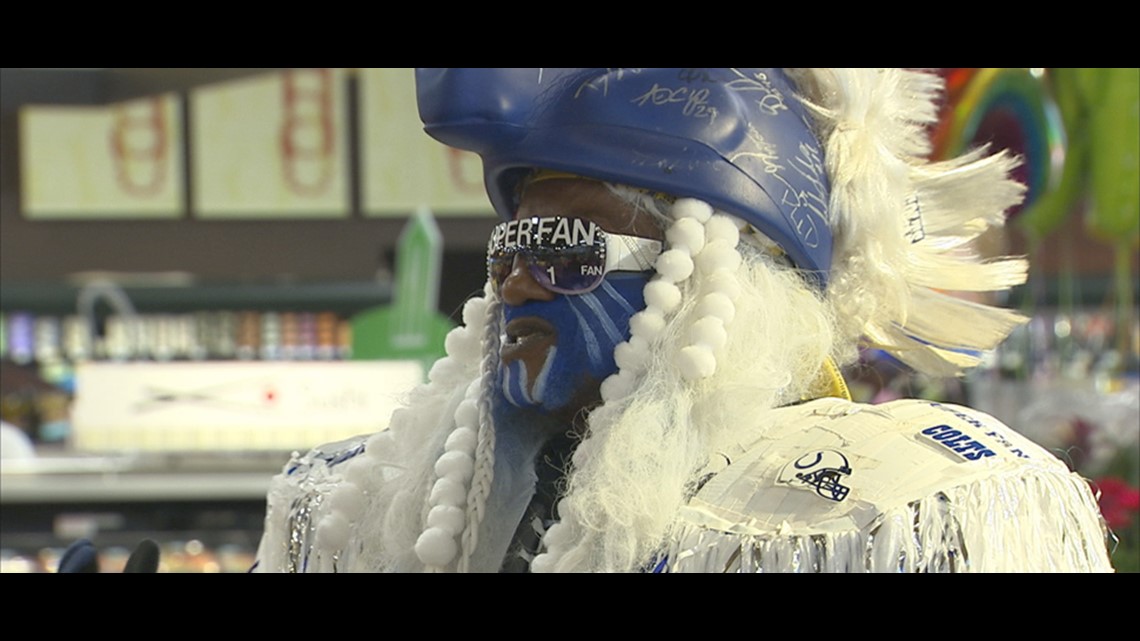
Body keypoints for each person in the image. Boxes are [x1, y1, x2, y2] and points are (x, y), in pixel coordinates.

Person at [252, 68, 1114, 573]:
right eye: (506, 253)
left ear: (716, 279)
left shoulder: (894, 507)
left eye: (561, 249)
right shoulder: (368, 507)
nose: (517, 286)